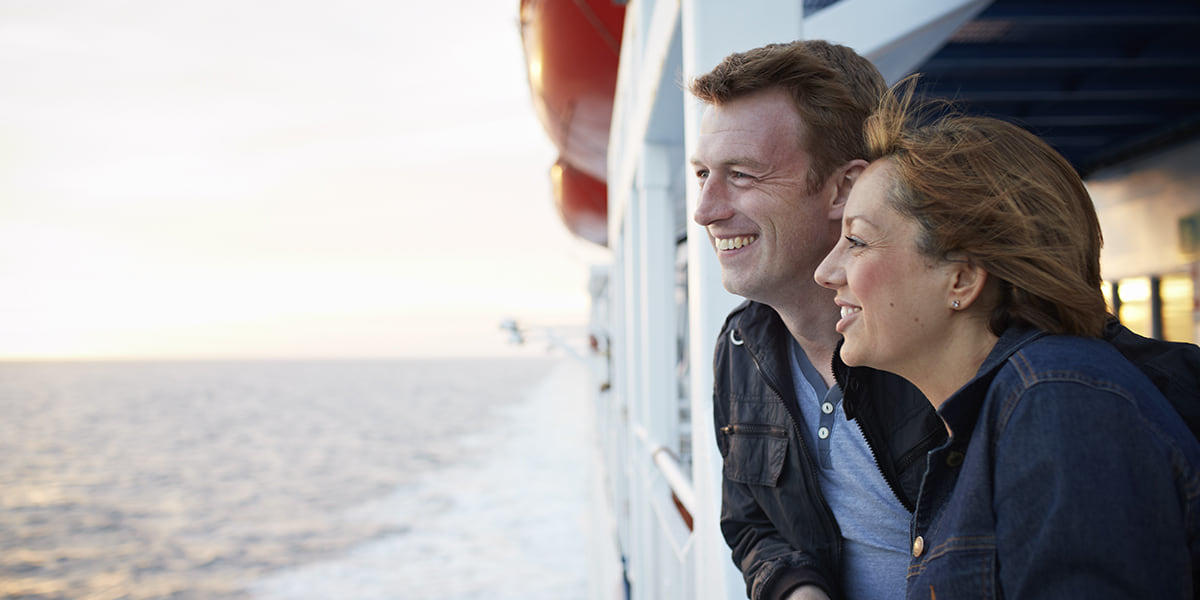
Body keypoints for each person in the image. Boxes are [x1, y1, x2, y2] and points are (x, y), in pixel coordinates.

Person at [813, 82, 1200, 598]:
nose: (825, 272)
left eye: (857, 240)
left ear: (962, 279)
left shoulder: (1059, 404)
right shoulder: (1013, 409)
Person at [690, 41, 942, 600]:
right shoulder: (742, 346)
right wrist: (797, 590)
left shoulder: (947, 337)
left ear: (844, 189)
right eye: (703, 173)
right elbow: (755, 523)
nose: (705, 210)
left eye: (744, 175)